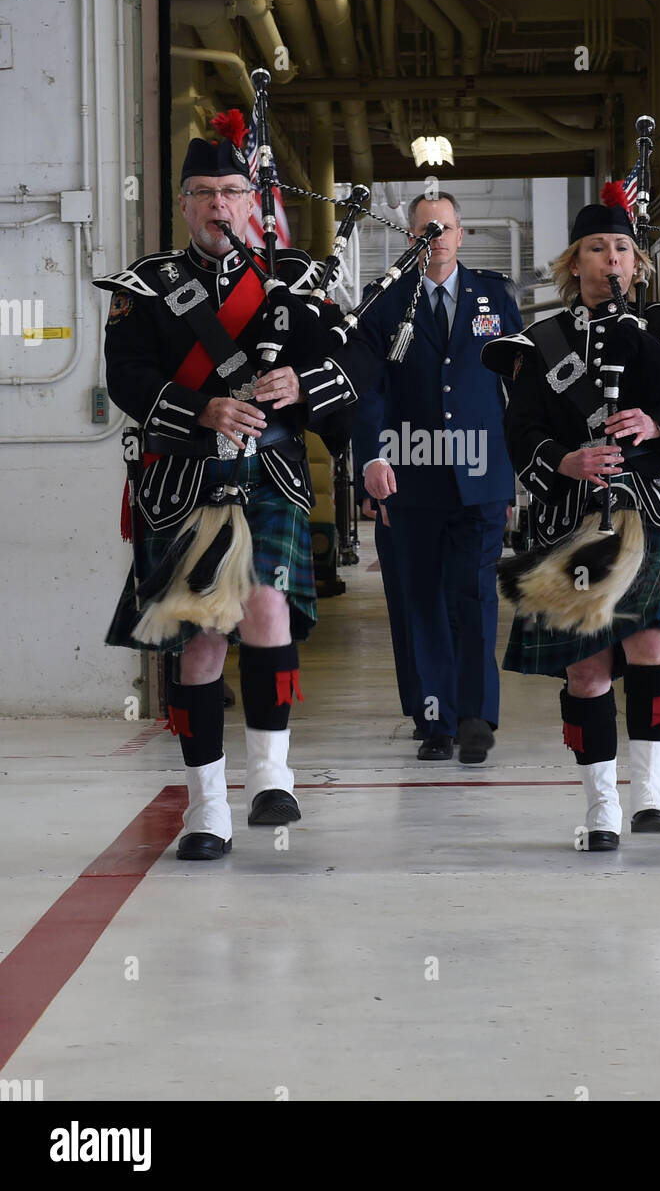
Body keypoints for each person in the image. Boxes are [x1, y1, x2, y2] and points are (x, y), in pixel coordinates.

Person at [94, 136, 352, 862]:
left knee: (266, 602)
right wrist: (201, 410)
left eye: (230, 192)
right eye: (203, 193)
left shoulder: (292, 278)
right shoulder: (143, 287)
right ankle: (207, 807)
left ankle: (272, 774)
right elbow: (127, 377)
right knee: (202, 639)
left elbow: (350, 355)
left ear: (252, 201)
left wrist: (303, 384)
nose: (218, 205)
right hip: (183, 479)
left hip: (268, 472)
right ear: (183, 206)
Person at [482, 193, 660, 849]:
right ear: (575, 264)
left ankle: (650, 794)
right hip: (573, 520)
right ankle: (601, 807)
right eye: (597, 248)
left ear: (638, 262)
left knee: (651, 647)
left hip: (650, 510)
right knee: (586, 667)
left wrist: (657, 421)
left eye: (622, 248)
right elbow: (521, 429)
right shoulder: (542, 343)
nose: (610, 259)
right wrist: (565, 460)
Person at [336, 191, 523, 763]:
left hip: (480, 476)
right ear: (410, 237)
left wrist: (515, 473)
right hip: (409, 477)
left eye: (444, 227)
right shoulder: (385, 302)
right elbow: (366, 390)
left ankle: (474, 717)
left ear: (461, 235)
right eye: (424, 228)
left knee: (473, 597)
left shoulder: (495, 295)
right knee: (421, 601)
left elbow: (515, 388)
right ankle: (434, 718)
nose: (435, 236)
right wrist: (370, 460)